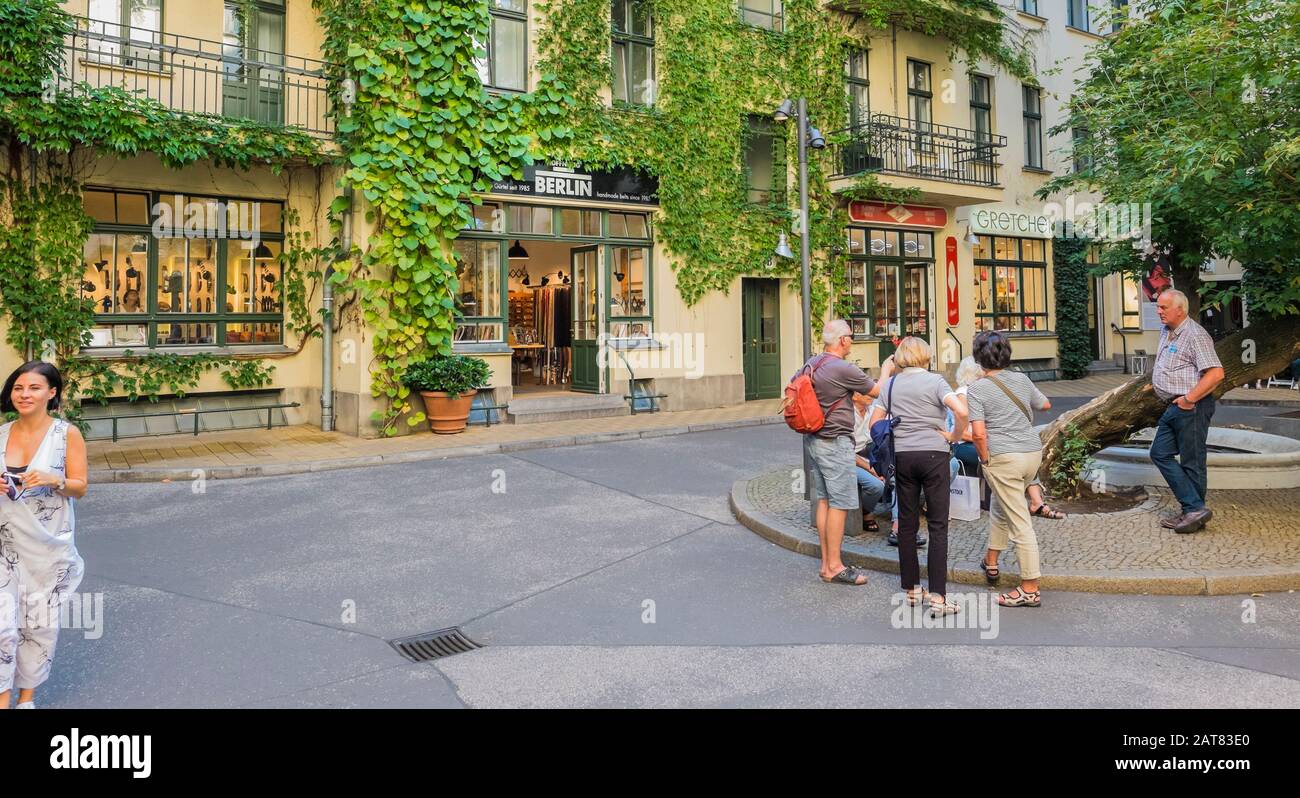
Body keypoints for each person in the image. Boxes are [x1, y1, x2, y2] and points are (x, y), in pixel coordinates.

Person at [0, 361, 87, 710]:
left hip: (48, 550)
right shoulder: (2, 433)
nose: (24, 394)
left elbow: (80, 487)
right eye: (19, 388)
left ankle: (26, 699)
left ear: (51, 393)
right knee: (3, 627)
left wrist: (54, 480)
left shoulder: (66, 435)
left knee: (38, 627)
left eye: (34, 388)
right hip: (4, 546)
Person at [873, 337, 967, 616]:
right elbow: (961, 411)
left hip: (902, 457)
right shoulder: (936, 382)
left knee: (906, 524)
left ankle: (912, 590)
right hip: (934, 455)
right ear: (926, 356)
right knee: (938, 526)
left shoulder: (889, 385)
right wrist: (954, 436)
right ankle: (938, 598)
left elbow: (874, 422)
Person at [797, 319, 889, 585]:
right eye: (850, 336)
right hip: (835, 442)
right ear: (843, 340)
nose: (852, 340)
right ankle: (835, 566)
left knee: (825, 500)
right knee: (838, 503)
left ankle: (826, 564)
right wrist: (886, 369)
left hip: (814, 439)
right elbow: (876, 391)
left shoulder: (811, 363)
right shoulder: (842, 368)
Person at [967, 332, 1051, 608]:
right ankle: (991, 560)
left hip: (1004, 457)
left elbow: (978, 434)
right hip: (1031, 454)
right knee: (1001, 506)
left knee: (1020, 524)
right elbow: (1045, 404)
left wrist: (985, 459)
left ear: (979, 358)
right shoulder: (1022, 379)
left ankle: (1029, 588)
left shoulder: (977, 389)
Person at [952, 356, 1065, 520]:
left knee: (1018, 452)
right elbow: (962, 433)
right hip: (965, 445)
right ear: (975, 373)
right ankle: (1012, 502)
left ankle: (1035, 502)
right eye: (983, 370)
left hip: (985, 441)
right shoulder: (963, 394)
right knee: (1003, 455)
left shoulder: (984, 390)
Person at [1149, 289, 1224, 534]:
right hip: (1174, 405)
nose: (1158, 311)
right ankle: (1193, 509)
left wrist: (1189, 399)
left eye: (1163, 308)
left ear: (1180, 309)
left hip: (1192, 405)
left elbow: (1216, 373)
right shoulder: (1167, 330)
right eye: (1158, 307)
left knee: (1192, 462)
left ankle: (1192, 512)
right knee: (1160, 453)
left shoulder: (1195, 335)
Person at [851, 388, 886, 534]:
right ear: (854, 396)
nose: (871, 395)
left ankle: (899, 521)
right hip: (849, 459)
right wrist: (871, 469)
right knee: (876, 485)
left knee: (897, 475)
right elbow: (847, 453)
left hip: (871, 453)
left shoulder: (872, 410)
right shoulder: (847, 414)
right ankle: (865, 511)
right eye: (865, 391)